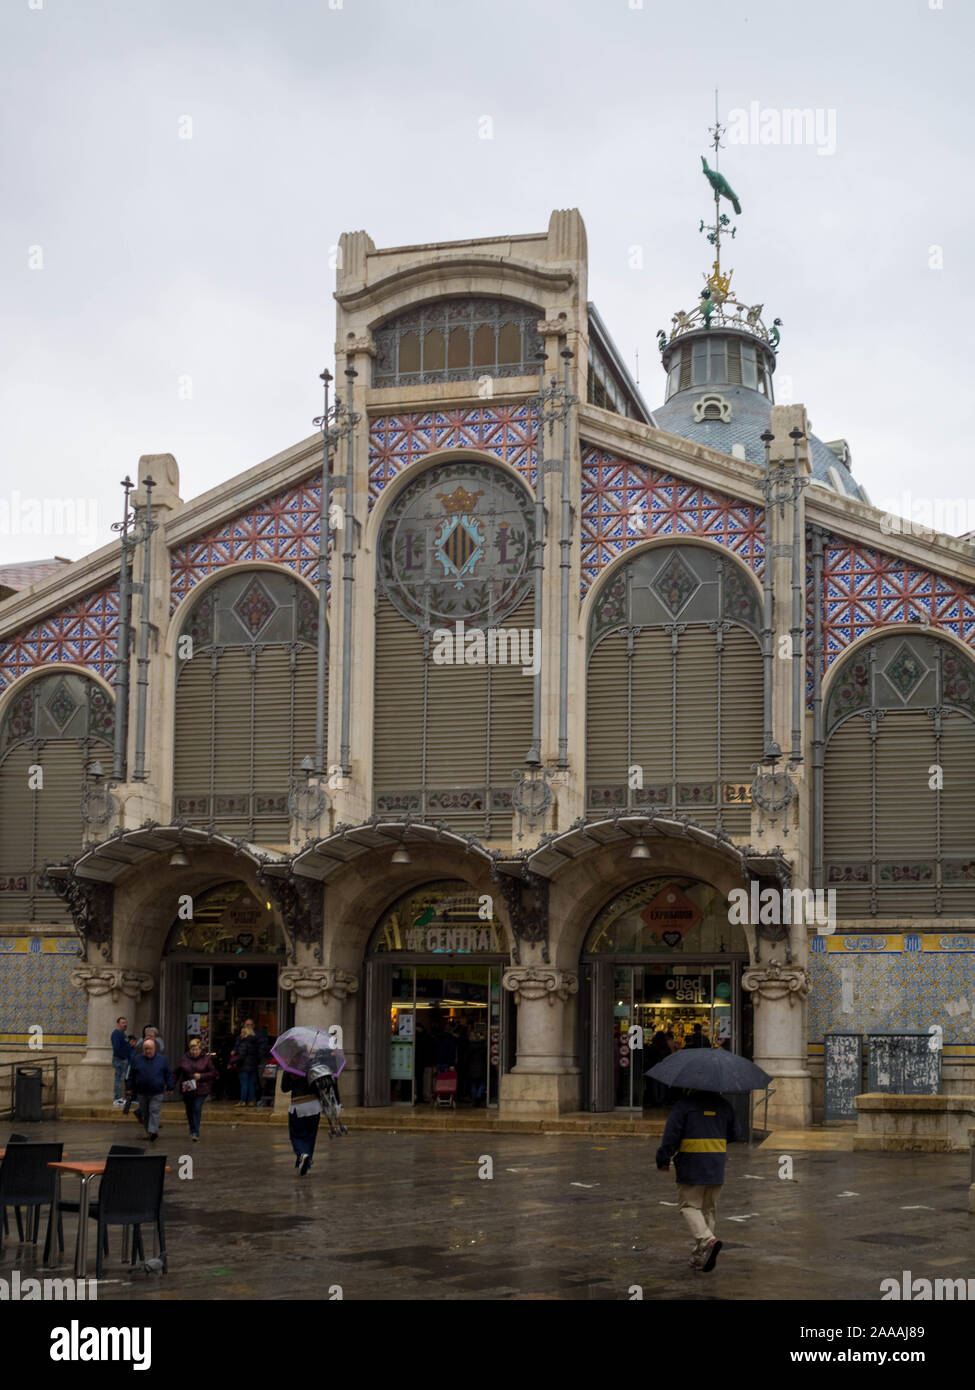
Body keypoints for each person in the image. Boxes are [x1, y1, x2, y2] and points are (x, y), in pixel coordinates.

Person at [656, 1087, 740, 1273]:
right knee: (708, 1209)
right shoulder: (724, 1105)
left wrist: (663, 1158)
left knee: (689, 1205)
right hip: (716, 1165)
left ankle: (706, 1240)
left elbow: (671, 1135)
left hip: (691, 1164)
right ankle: (699, 1257)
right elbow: (735, 1133)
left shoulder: (684, 1106)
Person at [126, 1036, 174, 1142]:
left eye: (150, 1049)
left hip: (157, 1091)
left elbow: (168, 1074)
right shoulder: (137, 1059)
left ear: (154, 1049)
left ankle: (153, 1131)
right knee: (145, 1113)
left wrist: (170, 1086)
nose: (148, 1051)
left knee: (154, 1110)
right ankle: (149, 1132)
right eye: (145, 1049)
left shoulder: (162, 1059)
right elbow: (131, 1075)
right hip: (142, 1092)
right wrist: (129, 1088)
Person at [172, 1036, 218, 1141]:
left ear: (200, 1049)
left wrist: (201, 1076)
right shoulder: (184, 1059)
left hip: (201, 1088)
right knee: (189, 1110)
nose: (194, 1051)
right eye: (193, 1049)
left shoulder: (206, 1059)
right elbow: (177, 1072)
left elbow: (213, 1073)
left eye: (196, 1049)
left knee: (197, 1108)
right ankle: (192, 1129)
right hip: (188, 1087)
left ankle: (195, 1132)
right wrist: (172, 1085)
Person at [281, 1069, 321, 1176]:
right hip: (314, 1106)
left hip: (298, 1105)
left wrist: (291, 1079)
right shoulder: (314, 1066)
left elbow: (284, 1088)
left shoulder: (291, 1067)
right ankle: (305, 1162)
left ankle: (302, 1154)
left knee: (296, 1135)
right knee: (310, 1136)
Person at [235, 1024, 260, 1106]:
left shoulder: (244, 1043)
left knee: (244, 1084)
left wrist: (231, 1062)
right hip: (252, 1066)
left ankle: (242, 1101)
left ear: (246, 1034)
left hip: (244, 1066)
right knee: (251, 1084)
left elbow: (241, 1056)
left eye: (242, 1033)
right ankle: (251, 1101)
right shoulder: (254, 1042)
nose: (240, 1035)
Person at [110, 1016, 130, 1105]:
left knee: (121, 1080)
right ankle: (117, 1098)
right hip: (119, 1060)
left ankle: (120, 1097)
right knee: (118, 1079)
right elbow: (116, 1047)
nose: (125, 1025)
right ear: (118, 1024)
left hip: (124, 1060)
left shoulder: (123, 1034)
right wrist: (122, 1057)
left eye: (126, 1023)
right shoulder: (116, 1034)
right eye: (123, 1023)